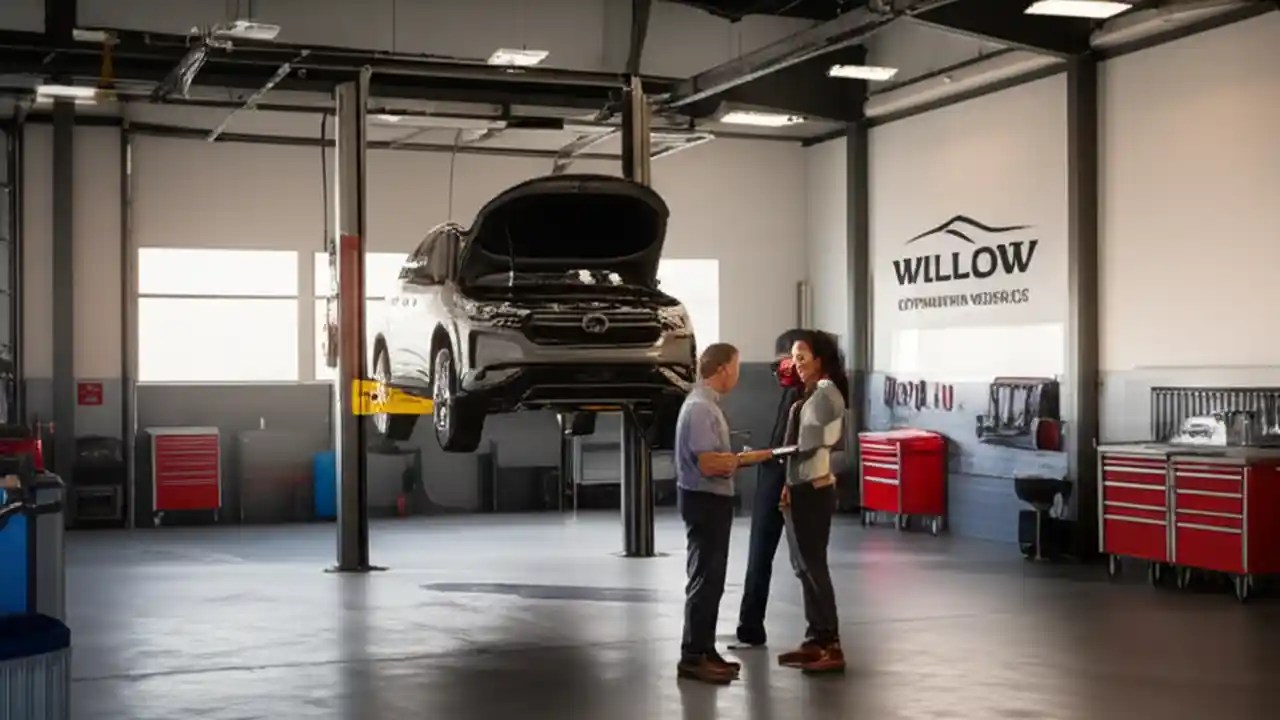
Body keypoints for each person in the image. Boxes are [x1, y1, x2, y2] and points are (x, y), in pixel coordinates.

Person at [774, 330, 850, 674]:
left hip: (815, 489)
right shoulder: (805, 396)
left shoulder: (825, 394)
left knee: (813, 565)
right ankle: (815, 637)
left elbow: (807, 445)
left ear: (820, 359)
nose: (796, 365)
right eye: (794, 358)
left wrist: (764, 455)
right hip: (800, 486)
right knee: (802, 566)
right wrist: (788, 483)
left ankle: (830, 642)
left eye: (802, 357)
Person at [674, 342, 747, 684]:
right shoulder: (701, 409)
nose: (737, 373)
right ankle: (692, 656)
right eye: (736, 366)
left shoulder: (707, 405)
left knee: (713, 579)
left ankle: (705, 649)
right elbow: (707, 462)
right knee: (705, 579)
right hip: (705, 501)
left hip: (709, 499)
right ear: (722, 369)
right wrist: (739, 460)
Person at [734, 329, 807, 648]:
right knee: (759, 555)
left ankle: (821, 633)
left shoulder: (812, 396)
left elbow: (805, 445)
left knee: (805, 562)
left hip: (789, 478)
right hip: (774, 472)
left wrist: (779, 470)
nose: (782, 370)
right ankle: (750, 625)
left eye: (788, 362)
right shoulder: (790, 394)